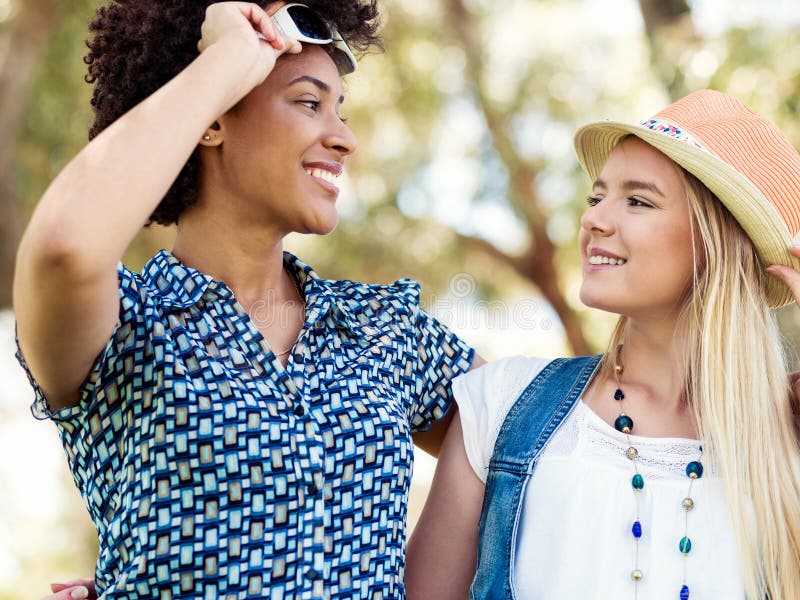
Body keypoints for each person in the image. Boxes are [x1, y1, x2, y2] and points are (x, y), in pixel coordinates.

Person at [14, 1, 480, 597]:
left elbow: (538, 426)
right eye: (310, 103)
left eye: (340, 110)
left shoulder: (383, 329)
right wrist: (230, 58)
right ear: (212, 119)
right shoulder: (126, 326)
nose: (344, 138)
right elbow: (62, 247)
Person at [405, 89, 800, 599]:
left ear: (717, 242)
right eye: (596, 197)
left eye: (638, 200)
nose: (594, 219)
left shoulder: (785, 443)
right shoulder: (500, 405)